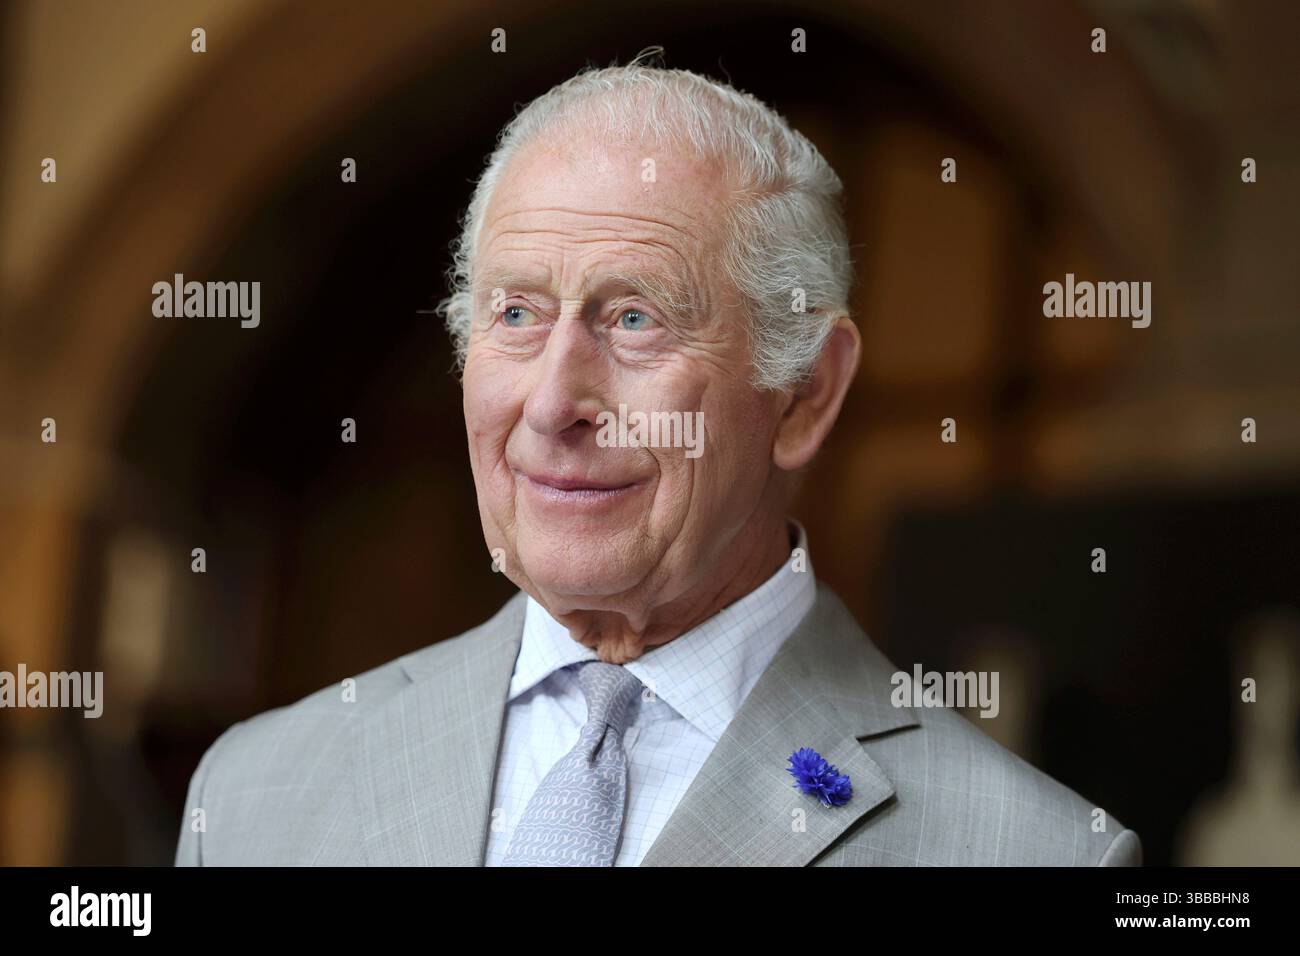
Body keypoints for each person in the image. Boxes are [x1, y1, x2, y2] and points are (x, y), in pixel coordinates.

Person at [175, 57, 1141, 867]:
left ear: (804, 393)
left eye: (634, 319)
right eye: (515, 314)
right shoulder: (256, 792)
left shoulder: (1034, 854)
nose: (553, 405)